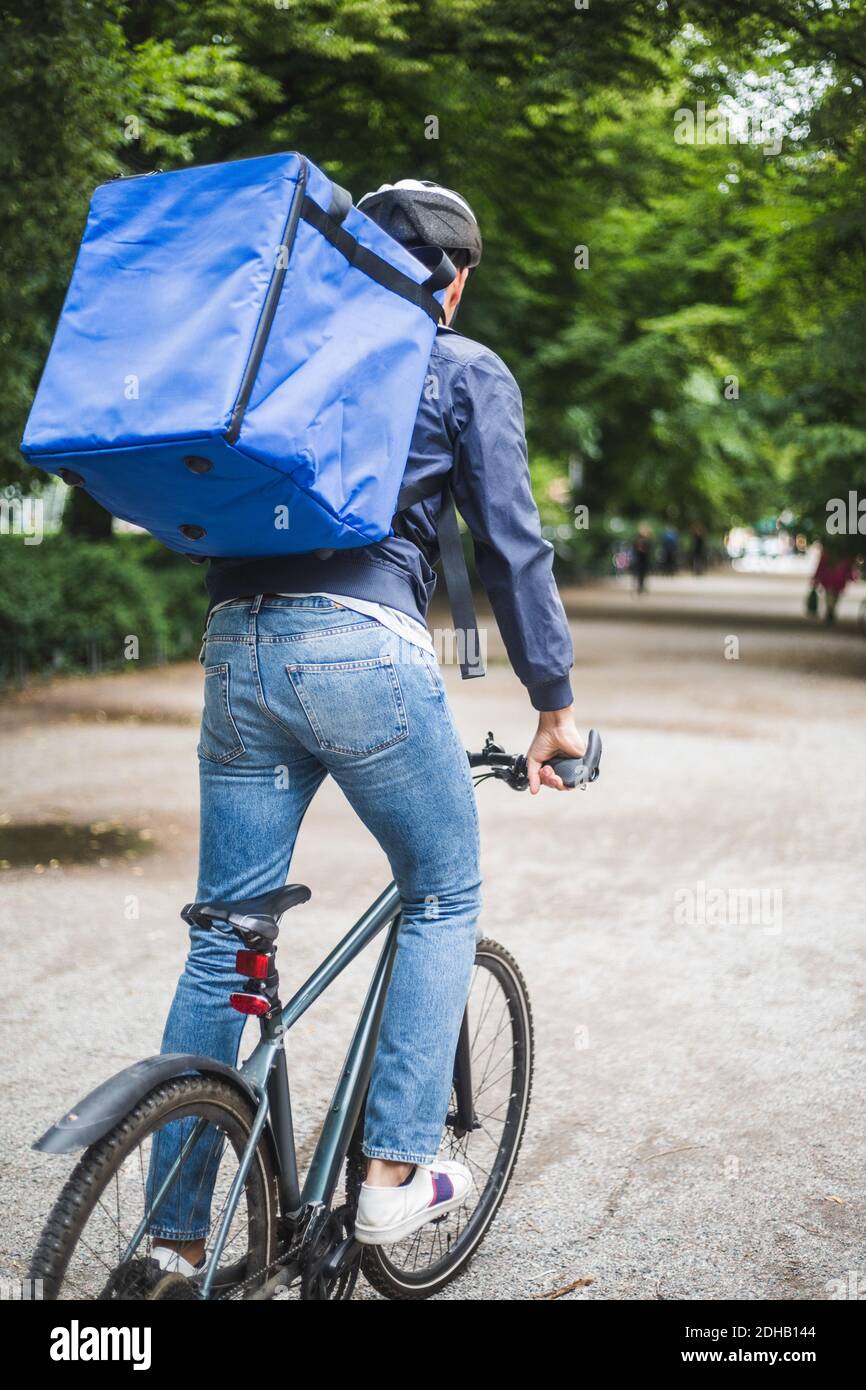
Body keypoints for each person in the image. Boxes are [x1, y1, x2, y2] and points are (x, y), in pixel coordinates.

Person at [146, 178, 583, 1271]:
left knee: (223, 939)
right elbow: (512, 548)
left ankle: (172, 1235)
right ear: (456, 280)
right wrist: (555, 707)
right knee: (441, 887)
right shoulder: (460, 367)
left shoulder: (286, 358)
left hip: (238, 645)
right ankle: (392, 1178)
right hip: (362, 648)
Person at [812, 544, 858, 624]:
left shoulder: (832, 554)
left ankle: (830, 611)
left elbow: (820, 566)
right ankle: (830, 611)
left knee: (831, 596)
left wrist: (816, 578)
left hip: (832, 579)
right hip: (836, 579)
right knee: (833, 596)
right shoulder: (843, 555)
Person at [631, 524, 652, 595]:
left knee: (643, 574)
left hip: (644, 559)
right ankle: (639, 587)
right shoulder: (638, 539)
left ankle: (641, 586)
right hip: (639, 559)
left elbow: (649, 549)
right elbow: (635, 547)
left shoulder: (647, 539)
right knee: (638, 573)